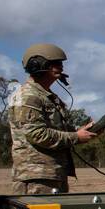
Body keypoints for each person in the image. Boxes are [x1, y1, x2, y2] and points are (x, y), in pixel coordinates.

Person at [8, 43, 99, 195]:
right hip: (37, 176)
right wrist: (75, 137)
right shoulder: (28, 96)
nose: (61, 67)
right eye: (55, 63)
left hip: (52, 173)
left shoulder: (46, 96)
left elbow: (54, 129)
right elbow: (37, 134)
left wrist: (79, 132)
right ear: (37, 65)